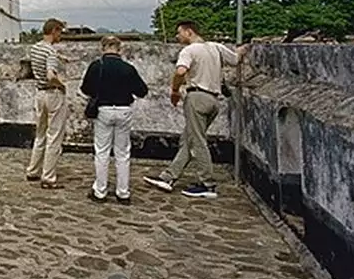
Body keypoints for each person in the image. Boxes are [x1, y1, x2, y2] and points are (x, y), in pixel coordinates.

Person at [144, 21, 246, 198]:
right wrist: (245, 48)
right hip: (213, 99)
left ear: (189, 32)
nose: (177, 37)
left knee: (197, 141)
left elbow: (181, 71)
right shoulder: (216, 47)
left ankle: (207, 183)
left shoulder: (189, 51)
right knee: (189, 139)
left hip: (197, 96)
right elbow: (236, 59)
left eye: (179, 33)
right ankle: (168, 177)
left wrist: (175, 90)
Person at [79, 35, 149, 204]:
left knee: (102, 151)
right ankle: (123, 192)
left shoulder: (96, 66)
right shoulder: (128, 68)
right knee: (123, 152)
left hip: (103, 110)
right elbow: (142, 91)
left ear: (102, 48)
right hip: (124, 110)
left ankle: (100, 190)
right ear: (120, 49)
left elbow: (85, 88)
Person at [26, 18, 69, 189]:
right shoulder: (50, 52)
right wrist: (61, 85)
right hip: (53, 94)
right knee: (55, 136)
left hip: (40, 94)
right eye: (60, 32)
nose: (61, 36)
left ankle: (33, 170)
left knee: (40, 134)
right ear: (54, 31)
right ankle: (48, 176)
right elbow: (50, 75)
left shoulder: (35, 48)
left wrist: (59, 57)